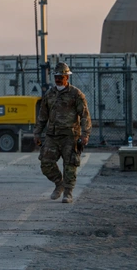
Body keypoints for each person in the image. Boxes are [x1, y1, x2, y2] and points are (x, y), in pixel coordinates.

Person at [34, 62, 91, 203]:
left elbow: (84, 115)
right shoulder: (50, 94)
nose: (58, 79)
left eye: (61, 76)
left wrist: (85, 134)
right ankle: (59, 184)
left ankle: (68, 192)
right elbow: (42, 116)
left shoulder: (76, 94)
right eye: (56, 76)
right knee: (46, 163)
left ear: (67, 77)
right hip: (52, 136)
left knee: (70, 165)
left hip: (70, 136)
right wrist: (37, 133)